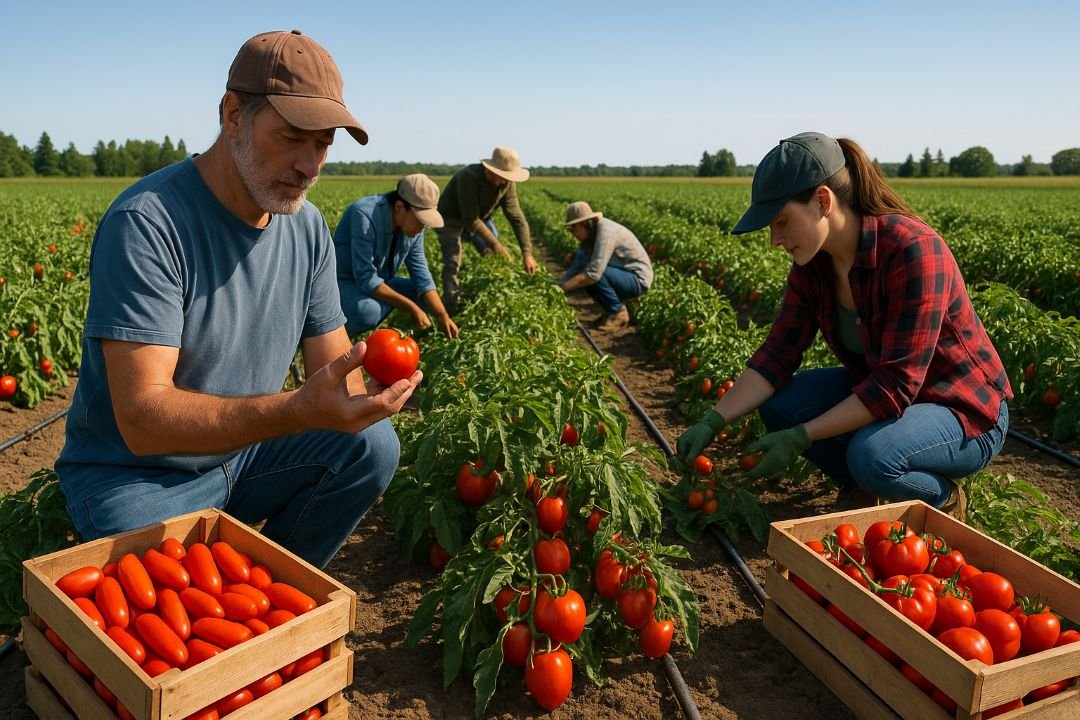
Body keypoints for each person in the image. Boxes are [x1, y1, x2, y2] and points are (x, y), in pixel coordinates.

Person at [54, 29, 421, 569]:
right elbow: (143, 419)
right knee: (168, 623)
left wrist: (360, 397)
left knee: (372, 447)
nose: (310, 165)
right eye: (292, 137)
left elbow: (333, 372)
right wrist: (297, 409)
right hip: (140, 477)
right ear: (232, 116)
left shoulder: (308, 229)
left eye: (323, 144)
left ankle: (276, 595)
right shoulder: (149, 222)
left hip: (244, 456)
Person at [674, 132, 1012, 518]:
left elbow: (896, 384)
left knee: (872, 455)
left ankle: (939, 498)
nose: (775, 240)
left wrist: (801, 437)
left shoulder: (912, 250)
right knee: (782, 406)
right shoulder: (814, 266)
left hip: (961, 409)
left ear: (822, 201)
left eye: (781, 222)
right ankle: (862, 487)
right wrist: (712, 420)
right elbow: (777, 355)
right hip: (889, 392)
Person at [334, 174, 459, 338]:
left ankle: (412, 336)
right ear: (399, 207)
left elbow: (422, 276)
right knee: (369, 312)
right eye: (420, 220)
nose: (422, 227)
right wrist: (411, 307)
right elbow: (366, 278)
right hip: (344, 281)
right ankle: (334, 338)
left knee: (424, 296)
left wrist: (443, 315)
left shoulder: (413, 230)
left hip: (382, 280)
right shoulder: (364, 215)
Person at [436, 146, 538, 314]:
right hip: (450, 219)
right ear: (491, 171)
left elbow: (516, 217)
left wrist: (527, 253)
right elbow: (470, 220)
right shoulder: (468, 177)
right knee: (453, 259)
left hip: (480, 218)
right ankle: (451, 305)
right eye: (504, 176)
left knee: (490, 250)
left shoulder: (507, 184)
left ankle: (486, 287)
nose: (506, 181)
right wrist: (497, 245)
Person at [558, 201, 654, 331]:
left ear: (584, 224)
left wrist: (563, 288)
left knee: (593, 275)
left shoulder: (606, 232)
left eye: (573, 228)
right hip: (620, 274)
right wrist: (556, 287)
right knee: (584, 275)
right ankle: (610, 312)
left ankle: (619, 313)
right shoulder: (588, 240)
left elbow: (594, 273)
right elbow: (576, 268)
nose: (571, 233)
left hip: (637, 279)